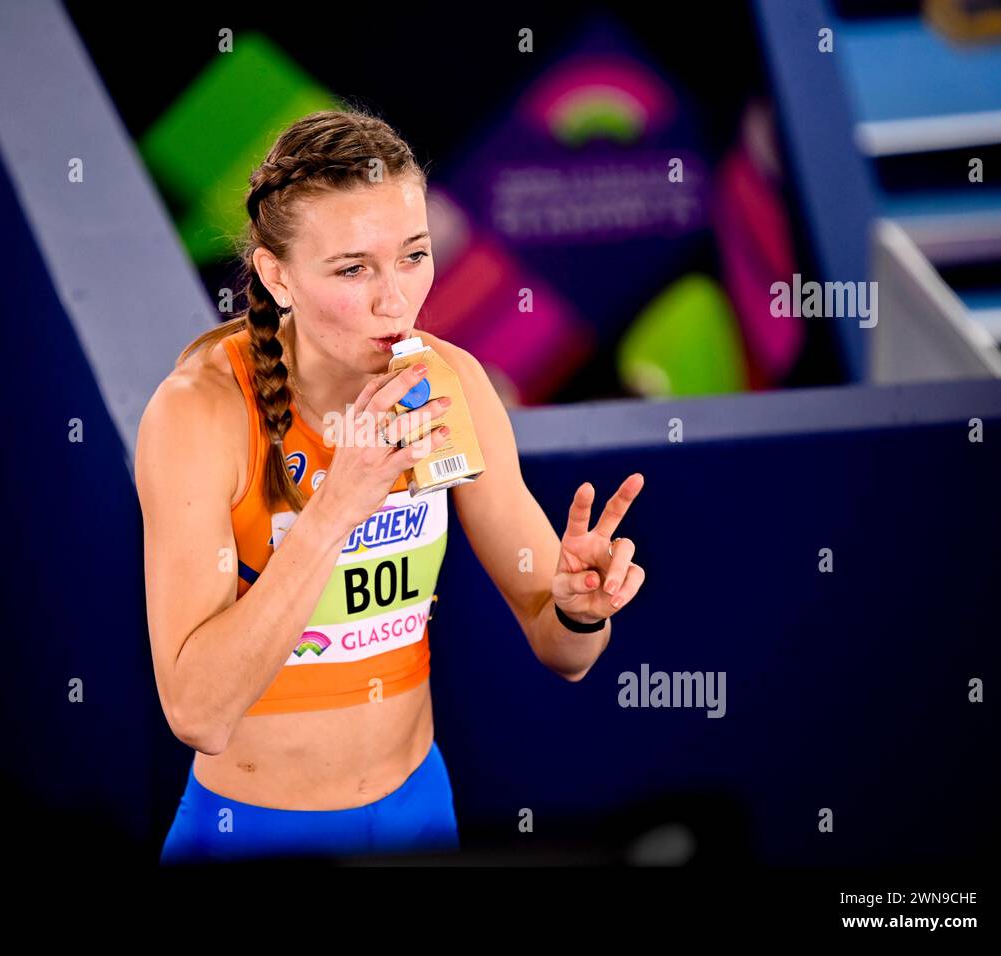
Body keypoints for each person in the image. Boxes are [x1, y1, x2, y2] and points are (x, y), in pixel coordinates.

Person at [137, 107, 647, 864]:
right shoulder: (200, 413)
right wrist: (339, 504)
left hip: (416, 815)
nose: (394, 299)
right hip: (253, 832)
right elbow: (198, 713)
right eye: (352, 269)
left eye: (413, 255)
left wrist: (577, 609)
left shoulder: (452, 383)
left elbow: (568, 654)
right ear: (278, 276)